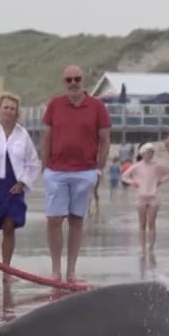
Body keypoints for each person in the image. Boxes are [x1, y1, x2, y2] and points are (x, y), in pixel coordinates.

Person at [40, 65, 111, 282]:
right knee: (53, 220)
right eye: (68, 79)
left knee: (76, 220)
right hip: (56, 171)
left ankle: (71, 269)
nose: (73, 83)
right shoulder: (55, 105)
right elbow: (46, 137)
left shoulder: (97, 106)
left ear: (84, 80)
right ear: (64, 82)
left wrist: (98, 168)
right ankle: (55, 269)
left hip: (85, 171)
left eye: (77, 78)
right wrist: (45, 166)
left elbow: (105, 139)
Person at [0, 93, 41, 277]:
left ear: (17, 112)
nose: (9, 111)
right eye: (6, 107)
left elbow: (33, 163)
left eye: (12, 108)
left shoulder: (23, 134)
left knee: (9, 226)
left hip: (14, 186)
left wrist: (23, 182)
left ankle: (6, 269)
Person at [120, 142, 169, 254]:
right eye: (147, 152)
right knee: (142, 223)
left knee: (151, 223)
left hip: (153, 196)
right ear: (142, 153)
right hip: (141, 197)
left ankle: (151, 247)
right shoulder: (136, 166)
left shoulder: (157, 165)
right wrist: (134, 182)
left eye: (151, 152)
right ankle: (142, 247)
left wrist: (160, 181)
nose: (150, 155)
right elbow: (124, 177)